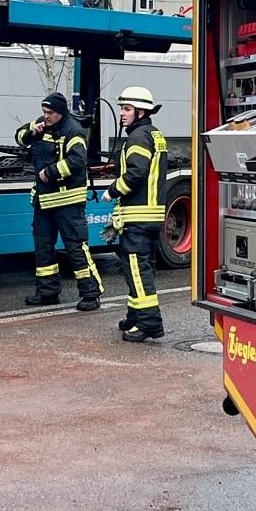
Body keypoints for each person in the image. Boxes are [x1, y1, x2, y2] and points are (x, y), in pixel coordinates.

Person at [16, 91, 100, 310]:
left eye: (50, 113)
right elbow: (18, 138)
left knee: (75, 248)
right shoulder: (41, 124)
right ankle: (47, 292)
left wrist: (50, 172)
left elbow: (77, 161)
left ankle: (91, 293)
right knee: (43, 247)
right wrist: (29, 131)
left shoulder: (73, 132)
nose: (46, 116)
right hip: (44, 201)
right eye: (44, 112)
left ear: (61, 112)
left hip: (67, 202)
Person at [110, 86, 168, 341]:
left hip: (137, 216)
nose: (122, 113)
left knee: (137, 269)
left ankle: (149, 323)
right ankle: (135, 316)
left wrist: (112, 190)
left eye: (127, 109)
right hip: (150, 216)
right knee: (138, 268)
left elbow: (135, 173)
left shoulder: (138, 137)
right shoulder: (154, 134)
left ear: (141, 111)